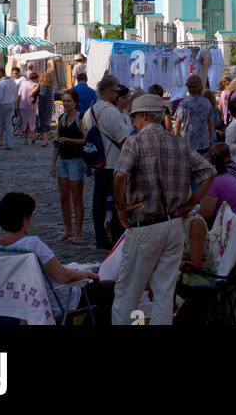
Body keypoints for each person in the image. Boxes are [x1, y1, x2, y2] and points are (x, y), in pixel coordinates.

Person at [112, 93, 216, 326]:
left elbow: (119, 175)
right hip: (173, 225)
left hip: (146, 225)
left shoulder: (135, 142)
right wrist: (191, 203)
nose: (133, 123)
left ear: (144, 116)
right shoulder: (179, 142)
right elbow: (209, 172)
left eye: (135, 118)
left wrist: (120, 206)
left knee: (127, 294)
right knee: (163, 293)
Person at [0, 193, 98, 323]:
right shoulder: (32, 244)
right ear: (25, 221)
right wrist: (86, 274)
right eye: (30, 218)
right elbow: (64, 277)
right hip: (49, 303)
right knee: (107, 289)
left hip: (17, 304)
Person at [83, 74, 129, 250]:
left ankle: (100, 237)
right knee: (118, 200)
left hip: (99, 163)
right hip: (115, 162)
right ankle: (117, 236)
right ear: (110, 91)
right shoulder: (111, 112)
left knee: (99, 202)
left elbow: (85, 132)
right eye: (116, 91)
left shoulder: (90, 111)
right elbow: (123, 139)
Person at [51, 88, 87, 242]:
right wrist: (53, 162)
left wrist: (68, 140)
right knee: (63, 198)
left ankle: (78, 232)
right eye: (64, 100)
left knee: (77, 199)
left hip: (76, 161)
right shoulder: (62, 117)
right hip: (63, 160)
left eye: (68, 101)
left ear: (75, 103)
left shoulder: (81, 118)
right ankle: (67, 230)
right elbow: (57, 142)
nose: (65, 103)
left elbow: (86, 140)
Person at [173, 73, 214, 153]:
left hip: (188, 141)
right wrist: (211, 138)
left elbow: (177, 125)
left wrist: (176, 140)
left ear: (188, 87)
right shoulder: (206, 102)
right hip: (204, 142)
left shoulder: (183, 103)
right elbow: (211, 123)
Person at [0, 69, 18, 150]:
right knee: (9, 125)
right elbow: (16, 93)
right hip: (11, 104)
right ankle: (9, 144)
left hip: (2, 105)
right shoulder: (12, 81)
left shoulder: (1, 83)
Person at [17, 69, 38, 143]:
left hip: (23, 105)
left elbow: (19, 95)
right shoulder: (36, 85)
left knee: (24, 122)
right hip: (32, 106)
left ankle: (26, 140)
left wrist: (17, 104)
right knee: (32, 122)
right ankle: (32, 137)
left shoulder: (23, 83)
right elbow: (37, 98)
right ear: (35, 78)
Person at [36, 69, 56, 146]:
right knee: (48, 122)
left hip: (44, 105)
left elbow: (42, 95)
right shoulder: (52, 86)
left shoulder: (43, 86)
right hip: (50, 106)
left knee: (43, 123)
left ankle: (45, 141)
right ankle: (46, 139)